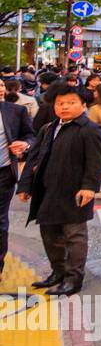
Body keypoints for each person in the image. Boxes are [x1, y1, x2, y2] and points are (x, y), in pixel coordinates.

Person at [16, 82, 101, 296]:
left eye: (71, 103)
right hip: (47, 190)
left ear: (83, 104)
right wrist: (26, 184)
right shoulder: (49, 128)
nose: (64, 107)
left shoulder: (90, 130)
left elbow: (96, 162)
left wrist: (89, 187)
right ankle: (58, 272)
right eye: (60, 103)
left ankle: (74, 279)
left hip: (75, 192)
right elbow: (34, 157)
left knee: (74, 236)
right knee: (49, 234)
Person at [0, 90, 36, 276]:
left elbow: (31, 136)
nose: (1, 88)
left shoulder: (15, 111)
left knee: (0, 221)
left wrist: (25, 144)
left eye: (1, 85)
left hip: (4, 173)